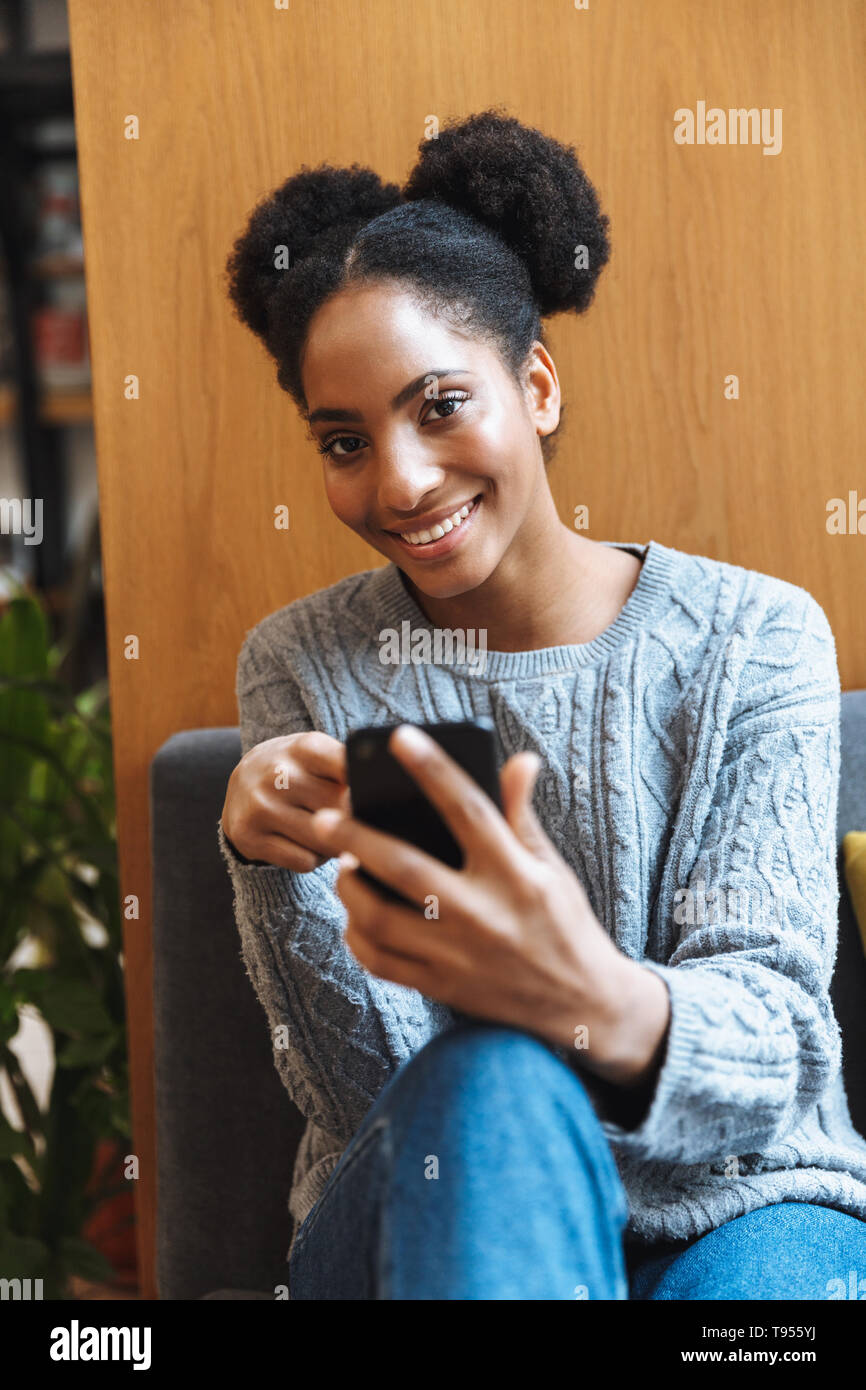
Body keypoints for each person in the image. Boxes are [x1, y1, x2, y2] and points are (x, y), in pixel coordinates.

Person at [217, 108, 866, 1300]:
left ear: (537, 385)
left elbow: (770, 1057)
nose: (399, 481)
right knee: (492, 1084)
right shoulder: (301, 662)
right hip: (422, 1195)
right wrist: (268, 869)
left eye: (441, 405)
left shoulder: (754, 637)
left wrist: (585, 996)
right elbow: (366, 1103)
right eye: (344, 439)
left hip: (738, 1198)